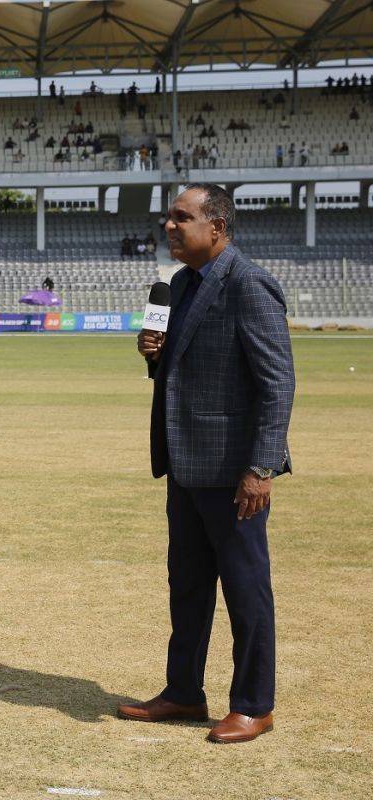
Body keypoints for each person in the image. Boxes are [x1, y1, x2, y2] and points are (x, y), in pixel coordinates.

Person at [124, 184, 295, 745]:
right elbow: (181, 374)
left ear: (217, 226)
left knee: (246, 593)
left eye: (182, 218)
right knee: (188, 586)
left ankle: (253, 705)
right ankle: (183, 692)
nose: (169, 226)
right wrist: (156, 356)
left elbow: (276, 383)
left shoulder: (248, 284)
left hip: (234, 472)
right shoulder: (179, 285)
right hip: (186, 466)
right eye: (168, 218)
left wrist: (261, 468)